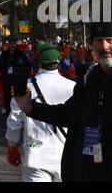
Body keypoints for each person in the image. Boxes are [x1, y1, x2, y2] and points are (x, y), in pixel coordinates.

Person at [14, 22, 112, 182]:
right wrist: (30, 108)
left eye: (110, 39)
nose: (104, 46)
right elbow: (69, 114)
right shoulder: (90, 80)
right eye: (98, 40)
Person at [5, 43, 73, 181]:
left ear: (39, 62)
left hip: (36, 157)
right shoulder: (74, 88)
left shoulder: (25, 88)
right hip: (66, 157)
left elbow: (15, 120)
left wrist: (12, 146)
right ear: (58, 62)